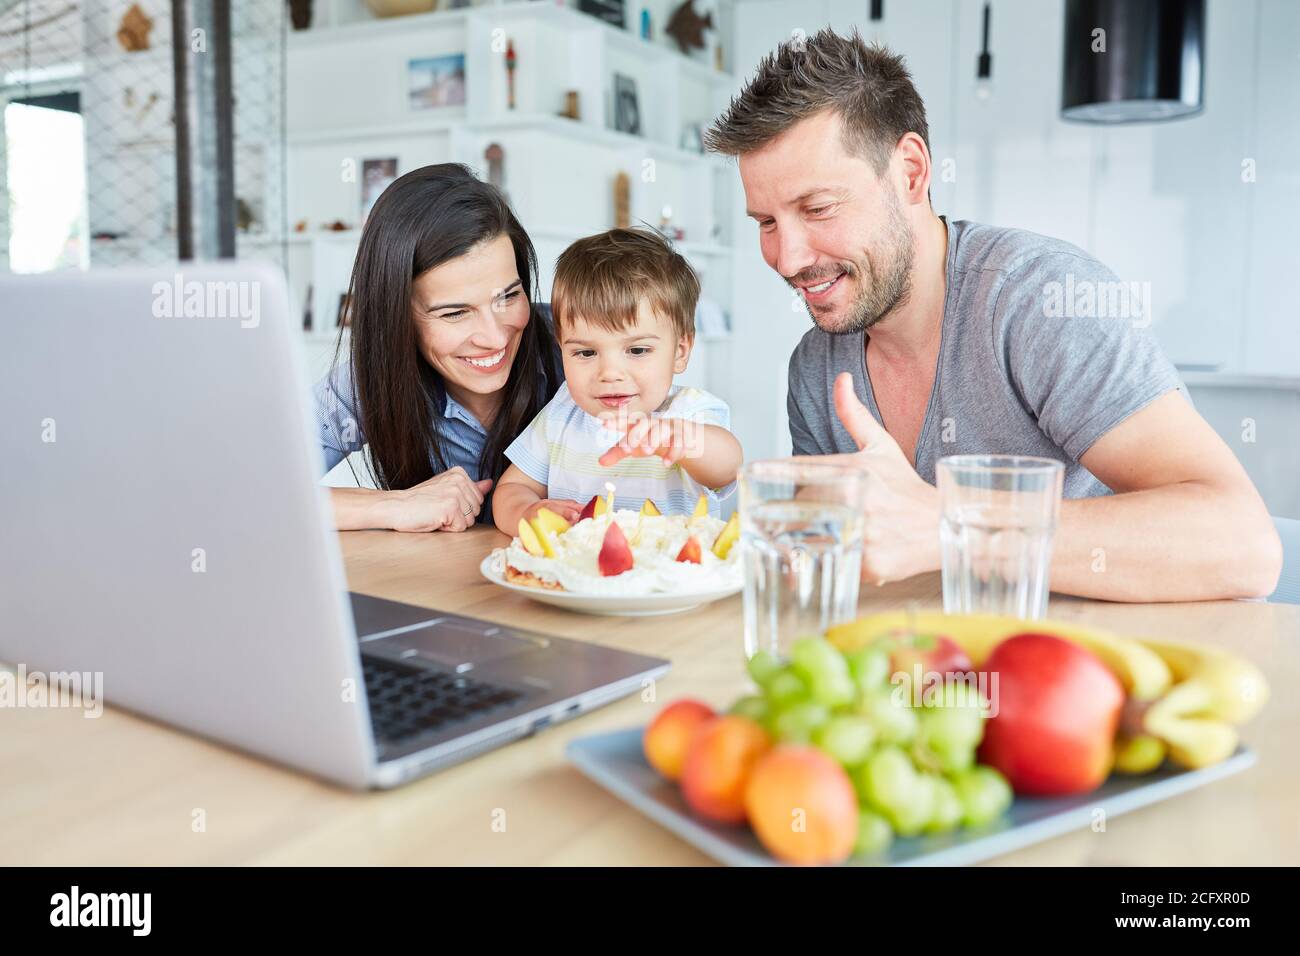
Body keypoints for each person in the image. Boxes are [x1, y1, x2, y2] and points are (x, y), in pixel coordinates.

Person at [704, 29, 1281, 601]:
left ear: (909, 172)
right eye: (767, 223)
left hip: (1087, 667)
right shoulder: (818, 365)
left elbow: (1242, 544)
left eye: (819, 208)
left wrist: (947, 523)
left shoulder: (1041, 299)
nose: (788, 257)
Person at [314, 164, 562, 532]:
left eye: (508, 296)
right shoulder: (374, 378)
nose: (494, 338)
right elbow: (241, 490)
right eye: (456, 313)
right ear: (398, 318)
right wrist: (394, 506)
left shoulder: (577, 345)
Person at [493, 228, 743, 535]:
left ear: (680, 351)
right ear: (562, 349)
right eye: (585, 352)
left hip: (670, 575)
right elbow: (511, 489)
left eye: (637, 350)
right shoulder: (562, 414)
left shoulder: (688, 411)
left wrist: (676, 439)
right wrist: (527, 512)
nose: (609, 373)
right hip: (577, 574)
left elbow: (728, 466)